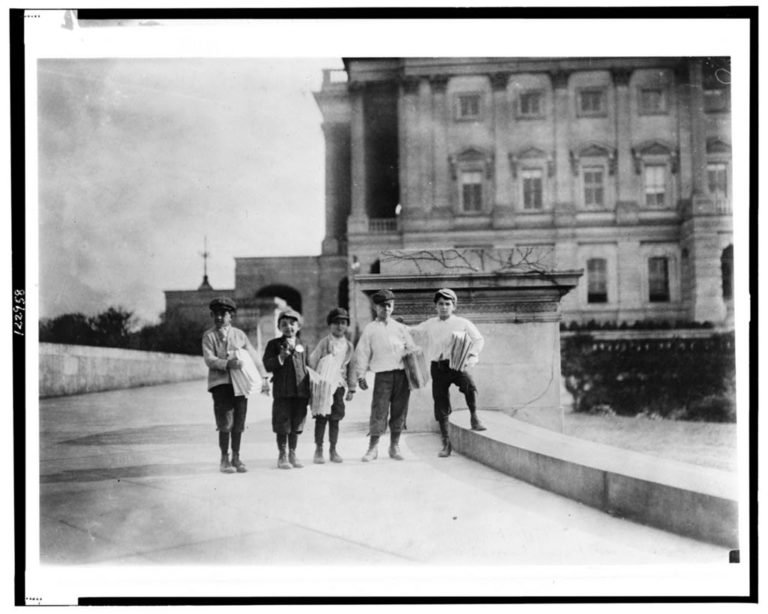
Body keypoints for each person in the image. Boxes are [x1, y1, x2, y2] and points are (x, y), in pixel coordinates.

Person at [411, 288, 486, 458]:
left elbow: (478, 339)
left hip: (456, 364)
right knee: (440, 402)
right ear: (435, 306)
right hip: (438, 367)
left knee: (469, 386)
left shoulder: (462, 322)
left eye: (447, 304)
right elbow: (414, 331)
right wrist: (400, 326)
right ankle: (446, 443)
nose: (444, 307)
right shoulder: (430, 323)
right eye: (440, 304)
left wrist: (471, 355)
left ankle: (474, 417)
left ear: (454, 306)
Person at [202, 296, 270, 474]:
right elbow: (209, 359)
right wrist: (227, 364)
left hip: (241, 384)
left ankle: (236, 457)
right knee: (225, 422)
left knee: (239, 421)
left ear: (231, 316)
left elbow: (254, 355)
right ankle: (224, 458)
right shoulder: (209, 336)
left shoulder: (240, 335)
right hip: (221, 384)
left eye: (224, 313)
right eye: (216, 313)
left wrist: (263, 377)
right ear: (212, 315)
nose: (219, 317)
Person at [354, 289, 417, 462]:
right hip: (383, 376)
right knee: (379, 410)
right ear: (375, 307)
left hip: (402, 375)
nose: (386, 309)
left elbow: (412, 348)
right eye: (382, 306)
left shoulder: (401, 328)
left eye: (389, 305)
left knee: (400, 410)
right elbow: (362, 353)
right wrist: (361, 375)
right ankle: (372, 448)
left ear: (393, 306)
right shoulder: (370, 329)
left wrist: (410, 353)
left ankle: (394, 446)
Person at [263, 309, 311, 469]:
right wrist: (280, 357)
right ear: (279, 327)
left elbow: (308, 367)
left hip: (300, 391)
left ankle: (293, 453)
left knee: (297, 422)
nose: (288, 327)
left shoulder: (303, 345)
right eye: (284, 324)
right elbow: (267, 365)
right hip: (282, 392)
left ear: (299, 326)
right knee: (282, 423)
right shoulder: (273, 344)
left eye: (292, 324)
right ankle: (282, 455)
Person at [308, 308, 357, 464]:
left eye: (343, 323)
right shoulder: (325, 343)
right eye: (336, 323)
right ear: (330, 325)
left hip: (339, 386)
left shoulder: (349, 346)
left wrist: (352, 388)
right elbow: (313, 361)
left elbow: (352, 367)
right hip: (324, 385)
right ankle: (319, 449)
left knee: (335, 418)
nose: (339, 326)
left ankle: (333, 449)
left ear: (347, 325)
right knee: (321, 417)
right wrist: (313, 381)